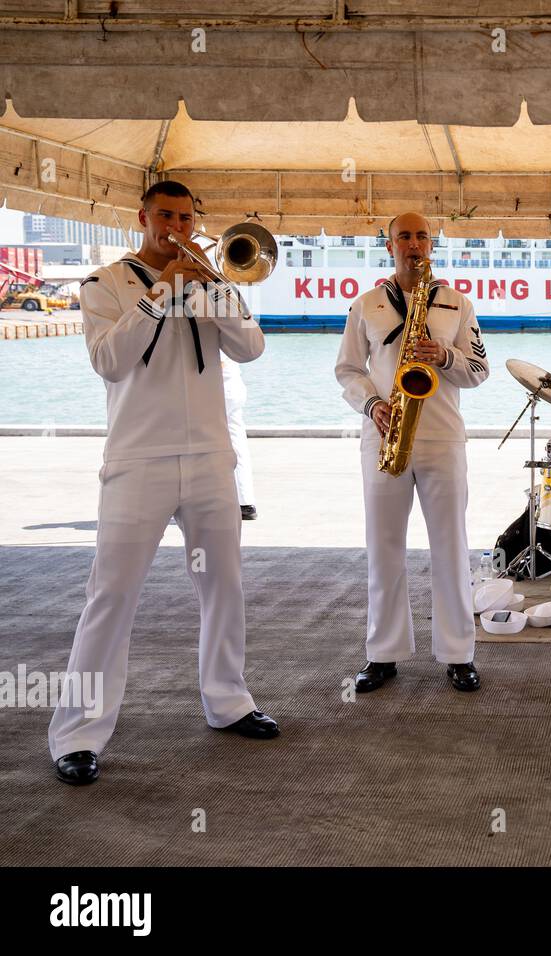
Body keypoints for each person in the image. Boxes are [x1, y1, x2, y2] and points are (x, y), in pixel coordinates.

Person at [48, 180, 278, 786]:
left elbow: (251, 348)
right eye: (165, 217)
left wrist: (215, 290)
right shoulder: (104, 284)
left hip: (208, 456)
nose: (175, 228)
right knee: (112, 595)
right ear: (143, 217)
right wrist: (160, 294)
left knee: (222, 585)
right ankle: (77, 734)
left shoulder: (210, 277)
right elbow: (108, 361)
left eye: (185, 218)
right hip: (138, 459)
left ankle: (228, 701)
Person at [335, 212, 488, 695]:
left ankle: (459, 653)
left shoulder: (457, 303)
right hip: (385, 433)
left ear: (431, 245)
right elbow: (346, 370)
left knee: (451, 547)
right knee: (383, 548)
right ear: (390, 245)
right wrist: (373, 403)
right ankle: (382, 654)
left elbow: (480, 369)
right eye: (405, 236)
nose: (415, 244)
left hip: (442, 438)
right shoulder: (366, 304)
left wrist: (444, 357)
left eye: (422, 236)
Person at [221, 354, 258, 519]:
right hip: (231, 388)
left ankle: (243, 502)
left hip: (221, 391)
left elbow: (218, 362)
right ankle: (245, 501)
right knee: (237, 445)